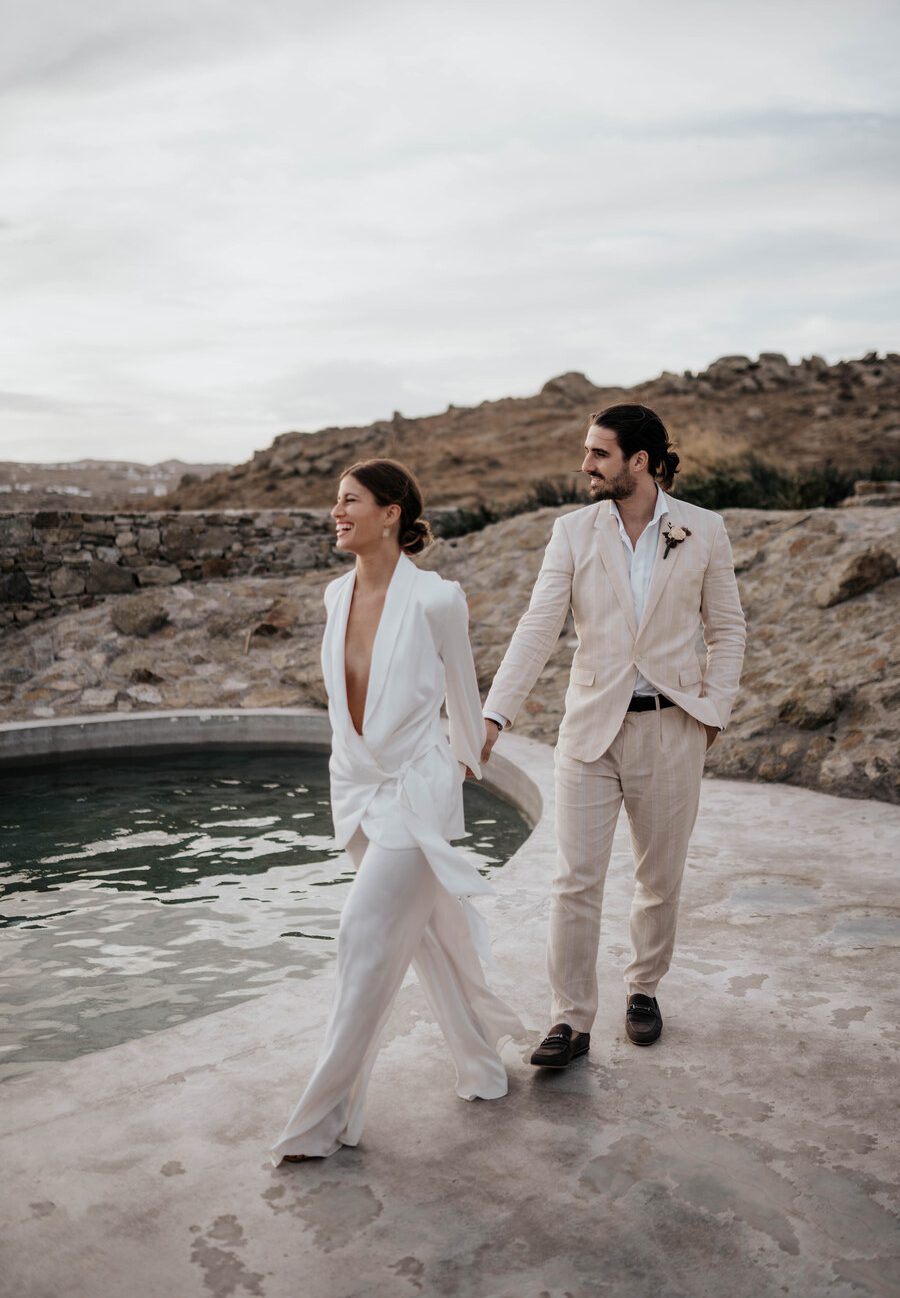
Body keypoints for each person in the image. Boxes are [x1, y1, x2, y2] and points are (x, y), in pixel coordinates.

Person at [270, 459, 524, 1164]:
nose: (335, 512)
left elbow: (460, 688)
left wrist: (469, 755)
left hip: (415, 792)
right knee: (419, 939)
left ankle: (325, 1117)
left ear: (391, 513)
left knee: (360, 934)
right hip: (354, 789)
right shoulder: (331, 596)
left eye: (349, 501)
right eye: (335, 501)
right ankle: (481, 1064)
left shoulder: (437, 599)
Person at [481, 404, 746, 1064]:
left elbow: (729, 630)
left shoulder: (703, 529)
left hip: (671, 728)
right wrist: (495, 715)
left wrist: (713, 709)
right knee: (574, 880)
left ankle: (643, 988)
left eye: (599, 454)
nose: (585, 465)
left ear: (640, 461)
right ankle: (568, 1020)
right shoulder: (571, 532)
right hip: (590, 730)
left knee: (660, 878)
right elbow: (539, 630)